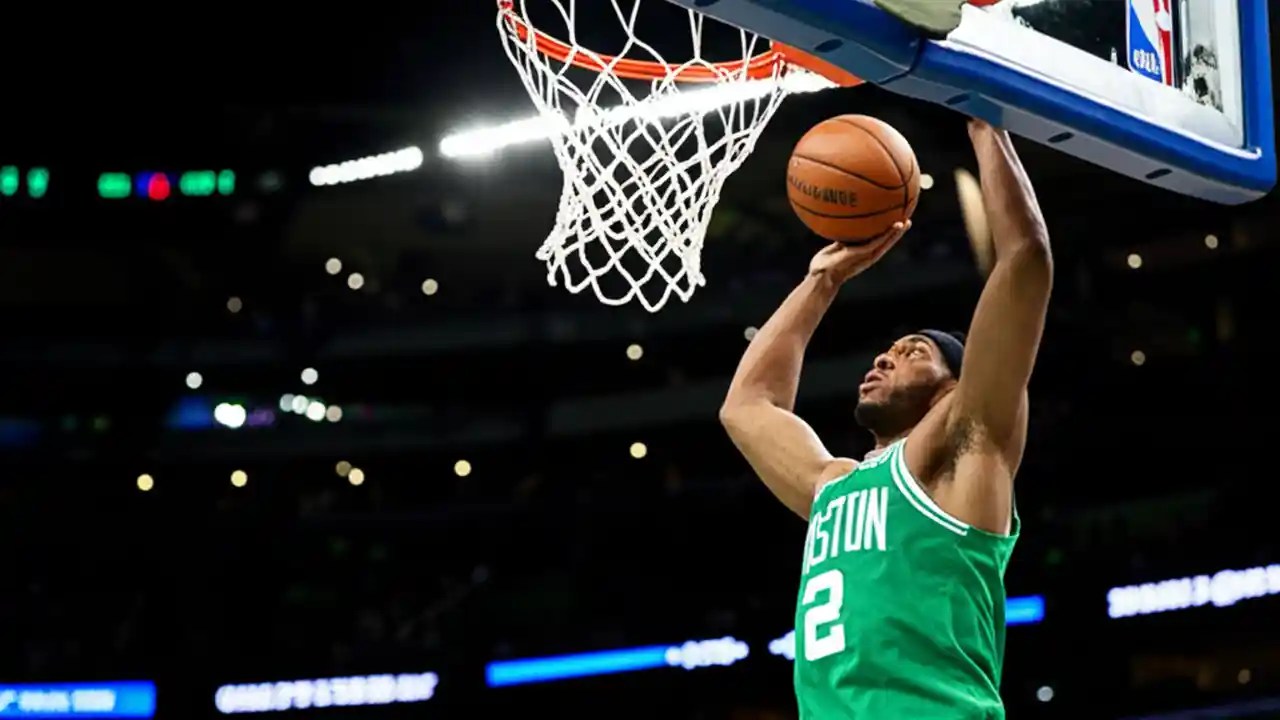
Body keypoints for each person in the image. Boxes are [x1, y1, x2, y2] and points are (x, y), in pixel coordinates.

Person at [719, 118, 1052, 719]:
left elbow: (1026, 260)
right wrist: (823, 280)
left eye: (912, 353)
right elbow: (747, 406)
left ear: (954, 388)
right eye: (888, 350)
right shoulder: (831, 485)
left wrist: (987, 124)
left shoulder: (963, 447)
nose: (883, 358)